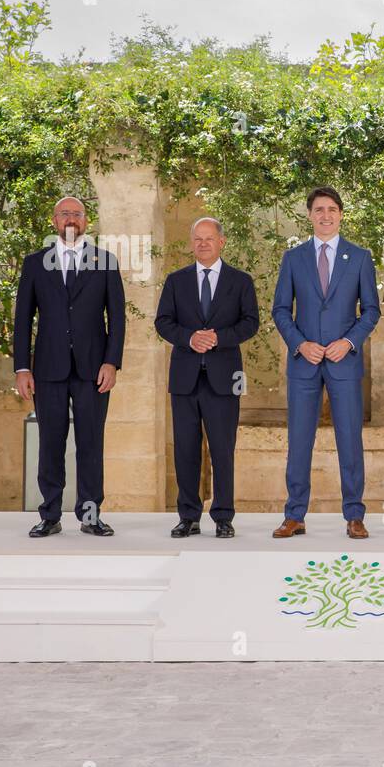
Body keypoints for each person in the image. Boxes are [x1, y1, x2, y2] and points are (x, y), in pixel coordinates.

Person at [271, 186, 380, 539]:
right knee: (299, 439)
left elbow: (372, 311)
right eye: (319, 209)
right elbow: (281, 310)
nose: (326, 215)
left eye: (332, 209)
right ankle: (294, 515)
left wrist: (348, 342)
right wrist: (300, 345)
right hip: (304, 363)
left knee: (350, 438)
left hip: (343, 362)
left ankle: (354, 515)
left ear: (341, 214)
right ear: (309, 215)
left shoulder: (360, 257)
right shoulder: (293, 258)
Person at [14, 196, 125, 538]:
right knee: (50, 442)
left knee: (91, 442)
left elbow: (117, 318)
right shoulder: (35, 264)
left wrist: (112, 362)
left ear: (86, 220)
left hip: (94, 370)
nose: (70, 219)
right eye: (64, 213)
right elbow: (23, 319)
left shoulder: (105, 262)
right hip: (48, 368)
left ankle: (90, 516)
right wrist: (22, 367)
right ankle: (49, 515)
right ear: (54, 221)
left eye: (76, 213)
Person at [154, 217, 260, 539]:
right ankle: (188, 516)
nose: (203, 244)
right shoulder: (176, 281)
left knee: (222, 448)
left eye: (209, 238)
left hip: (224, 378)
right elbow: (163, 322)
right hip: (185, 378)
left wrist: (218, 338)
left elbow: (250, 323)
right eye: (197, 239)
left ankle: (223, 516)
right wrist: (189, 338)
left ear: (221, 242)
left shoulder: (240, 281)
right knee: (185, 448)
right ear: (191, 243)